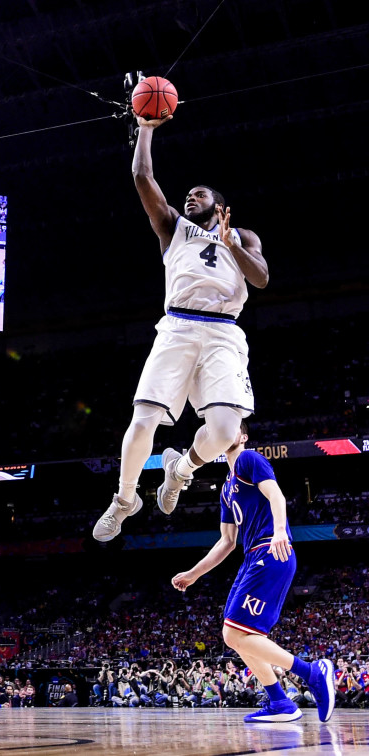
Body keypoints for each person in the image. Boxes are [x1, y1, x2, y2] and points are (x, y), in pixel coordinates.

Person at [93, 112, 269, 542]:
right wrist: (145, 129)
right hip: (178, 326)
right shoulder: (173, 227)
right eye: (188, 194)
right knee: (143, 420)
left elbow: (261, 278)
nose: (190, 198)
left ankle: (181, 468)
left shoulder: (243, 236)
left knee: (226, 433)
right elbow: (142, 176)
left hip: (224, 332)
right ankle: (124, 500)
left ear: (219, 206)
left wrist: (230, 246)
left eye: (199, 194)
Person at [170, 419, 337, 723]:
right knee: (236, 635)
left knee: (234, 634)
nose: (225, 431)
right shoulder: (226, 488)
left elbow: (276, 495)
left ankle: (313, 673)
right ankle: (280, 702)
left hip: (270, 549)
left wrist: (280, 530)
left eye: (232, 426)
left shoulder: (249, 458)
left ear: (243, 436)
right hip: (251, 557)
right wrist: (193, 574)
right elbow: (226, 541)